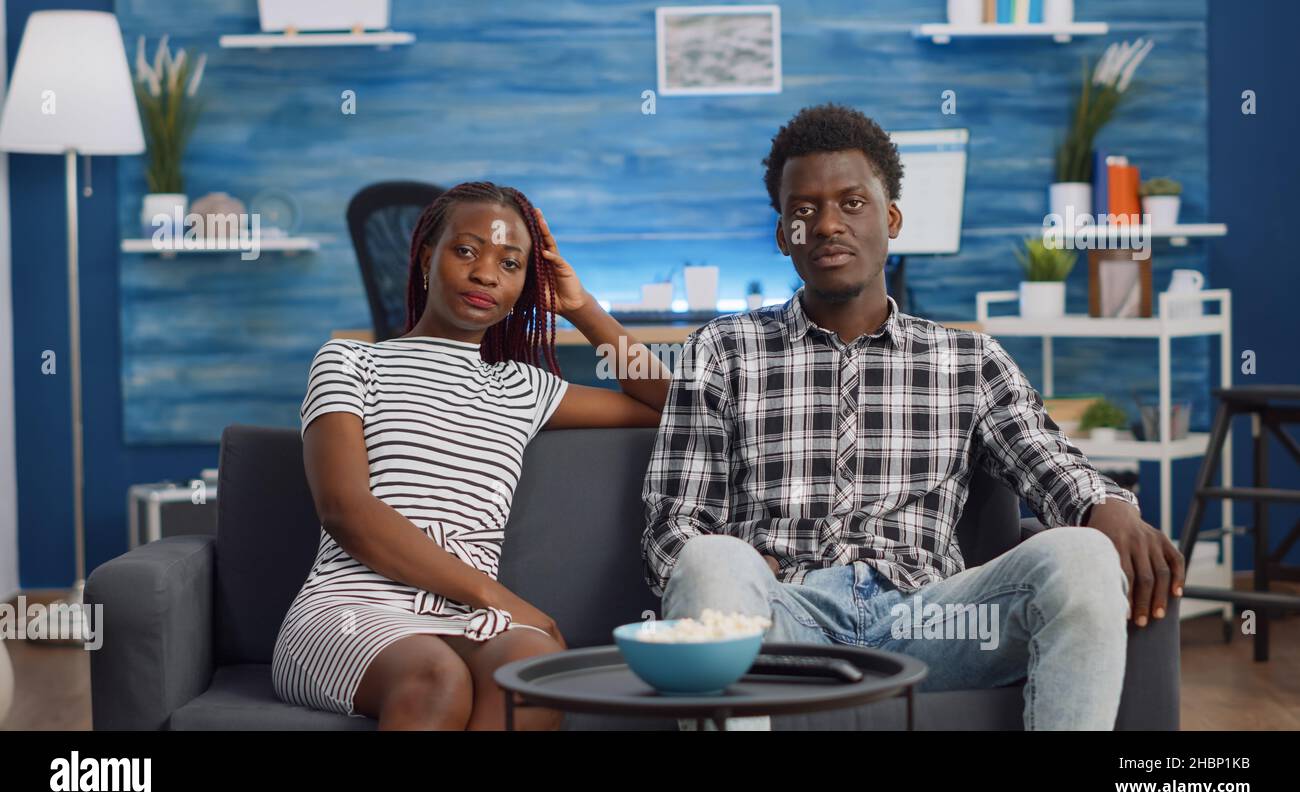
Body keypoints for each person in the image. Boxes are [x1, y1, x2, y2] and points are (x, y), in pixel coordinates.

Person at [641, 104, 1185, 730]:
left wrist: (1106, 507)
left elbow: (1050, 463)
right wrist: (740, 568)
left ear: (891, 218)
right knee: (709, 561)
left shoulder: (969, 358)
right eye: (804, 210)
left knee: (1084, 554)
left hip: (934, 620)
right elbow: (672, 529)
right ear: (782, 233)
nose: (825, 226)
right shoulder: (720, 350)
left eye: (851, 203)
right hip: (780, 619)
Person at [273, 181, 670, 730]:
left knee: (535, 672)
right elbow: (345, 509)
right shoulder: (349, 362)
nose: (487, 274)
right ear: (425, 255)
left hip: (472, 620)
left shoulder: (524, 388)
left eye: (511, 264)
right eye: (466, 251)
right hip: (349, 609)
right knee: (437, 678)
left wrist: (580, 307)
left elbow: (673, 405)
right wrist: (503, 600)